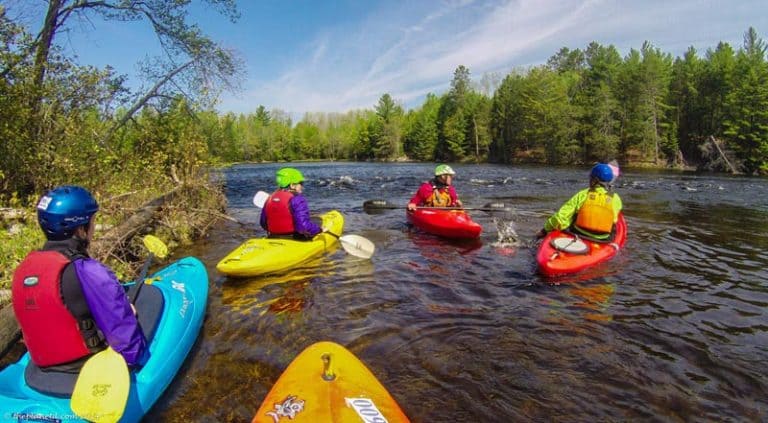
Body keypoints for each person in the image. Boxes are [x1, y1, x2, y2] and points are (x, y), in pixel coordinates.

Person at [12, 186, 147, 373]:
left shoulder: (25, 268)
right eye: (92, 222)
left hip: (42, 365)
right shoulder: (89, 271)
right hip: (86, 367)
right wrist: (135, 358)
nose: (93, 228)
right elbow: (126, 340)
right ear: (81, 229)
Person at [537, 163, 623, 241]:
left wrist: (544, 230)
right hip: (603, 238)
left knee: (572, 216)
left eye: (591, 178)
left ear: (594, 180)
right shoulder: (616, 198)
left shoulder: (583, 194)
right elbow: (614, 219)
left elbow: (561, 217)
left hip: (579, 234)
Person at [260, 167, 324, 239]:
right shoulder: (297, 199)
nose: (302, 186)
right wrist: (319, 230)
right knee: (318, 222)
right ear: (292, 185)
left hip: (273, 236)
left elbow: (263, 223)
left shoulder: (269, 198)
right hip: (294, 237)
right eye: (301, 183)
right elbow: (303, 227)